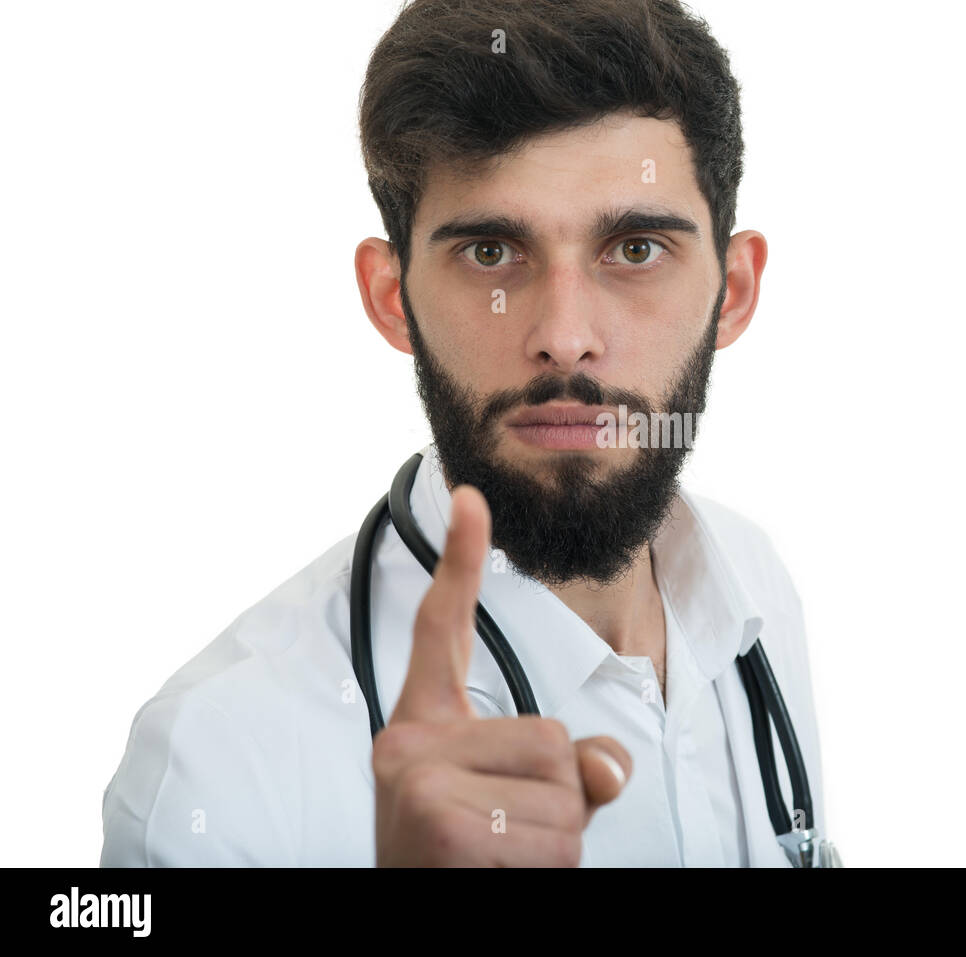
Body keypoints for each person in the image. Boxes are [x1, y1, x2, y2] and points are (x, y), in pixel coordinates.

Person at [100, 0, 826, 867]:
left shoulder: (753, 594)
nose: (564, 333)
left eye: (635, 249)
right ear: (391, 297)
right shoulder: (222, 768)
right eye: (491, 252)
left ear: (734, 292)